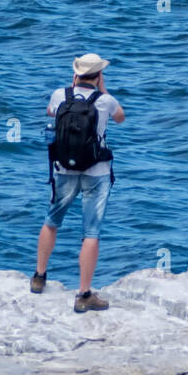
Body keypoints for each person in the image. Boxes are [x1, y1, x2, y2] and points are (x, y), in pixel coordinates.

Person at [31, 52, 124, 313]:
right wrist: (102, 89)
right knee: (91, 232)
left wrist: (73, 88)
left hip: (64, 168)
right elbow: (121, 118)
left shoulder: (60, 95)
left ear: (76, 74)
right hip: (96, 171)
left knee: (52, 220)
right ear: (98, 75)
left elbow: (51, 112)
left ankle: (39, 277)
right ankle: (83, 294)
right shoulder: (105, 100)